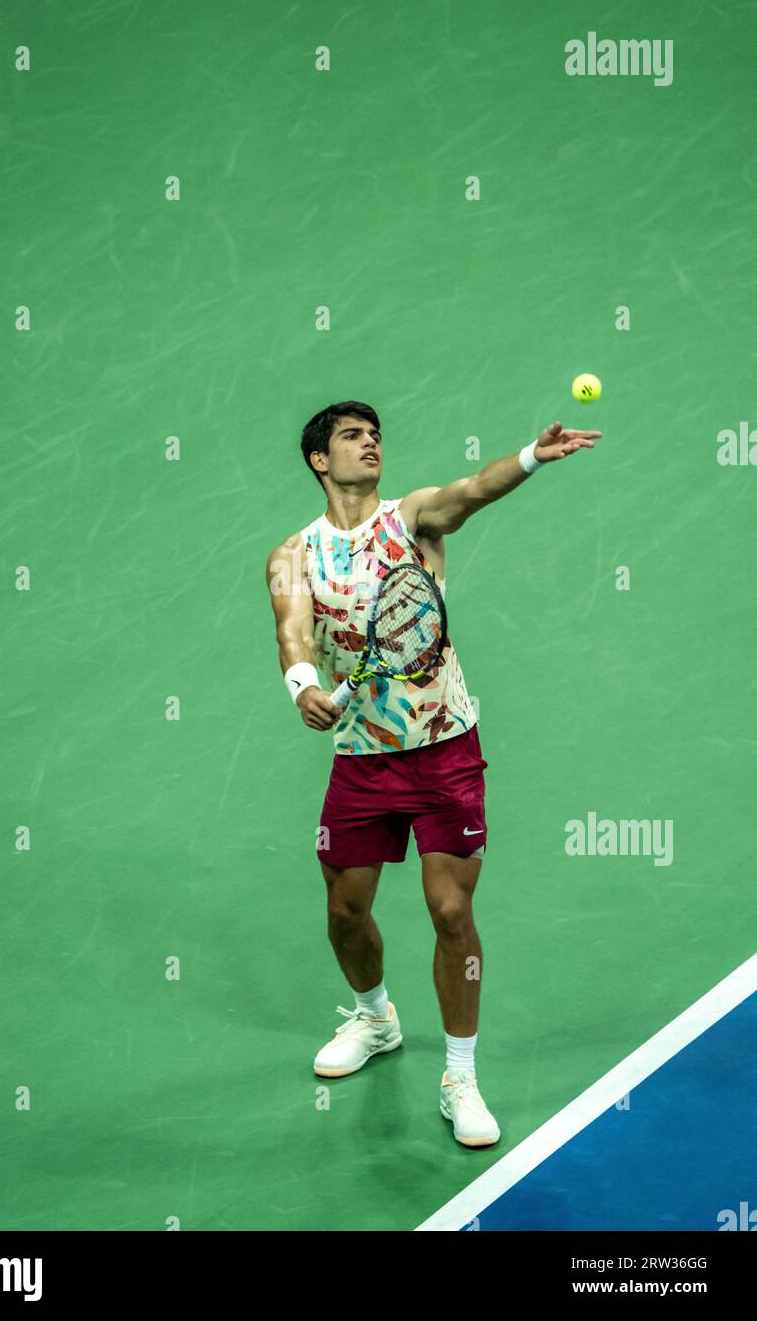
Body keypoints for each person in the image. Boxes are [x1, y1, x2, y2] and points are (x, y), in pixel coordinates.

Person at [265, 401, 601, 1147]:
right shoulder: (293, 555)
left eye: (373, 434)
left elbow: (471, 490)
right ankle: (376, 1018)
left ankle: (459, 1076)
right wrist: (304, 688)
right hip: (361, 759)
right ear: (320, 459)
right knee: (345, 912)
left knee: (451, 912)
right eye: (352, 436)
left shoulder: (411, 519)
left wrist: (532, 457)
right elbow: (292, 632)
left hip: (445, 746)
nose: (369, 442)